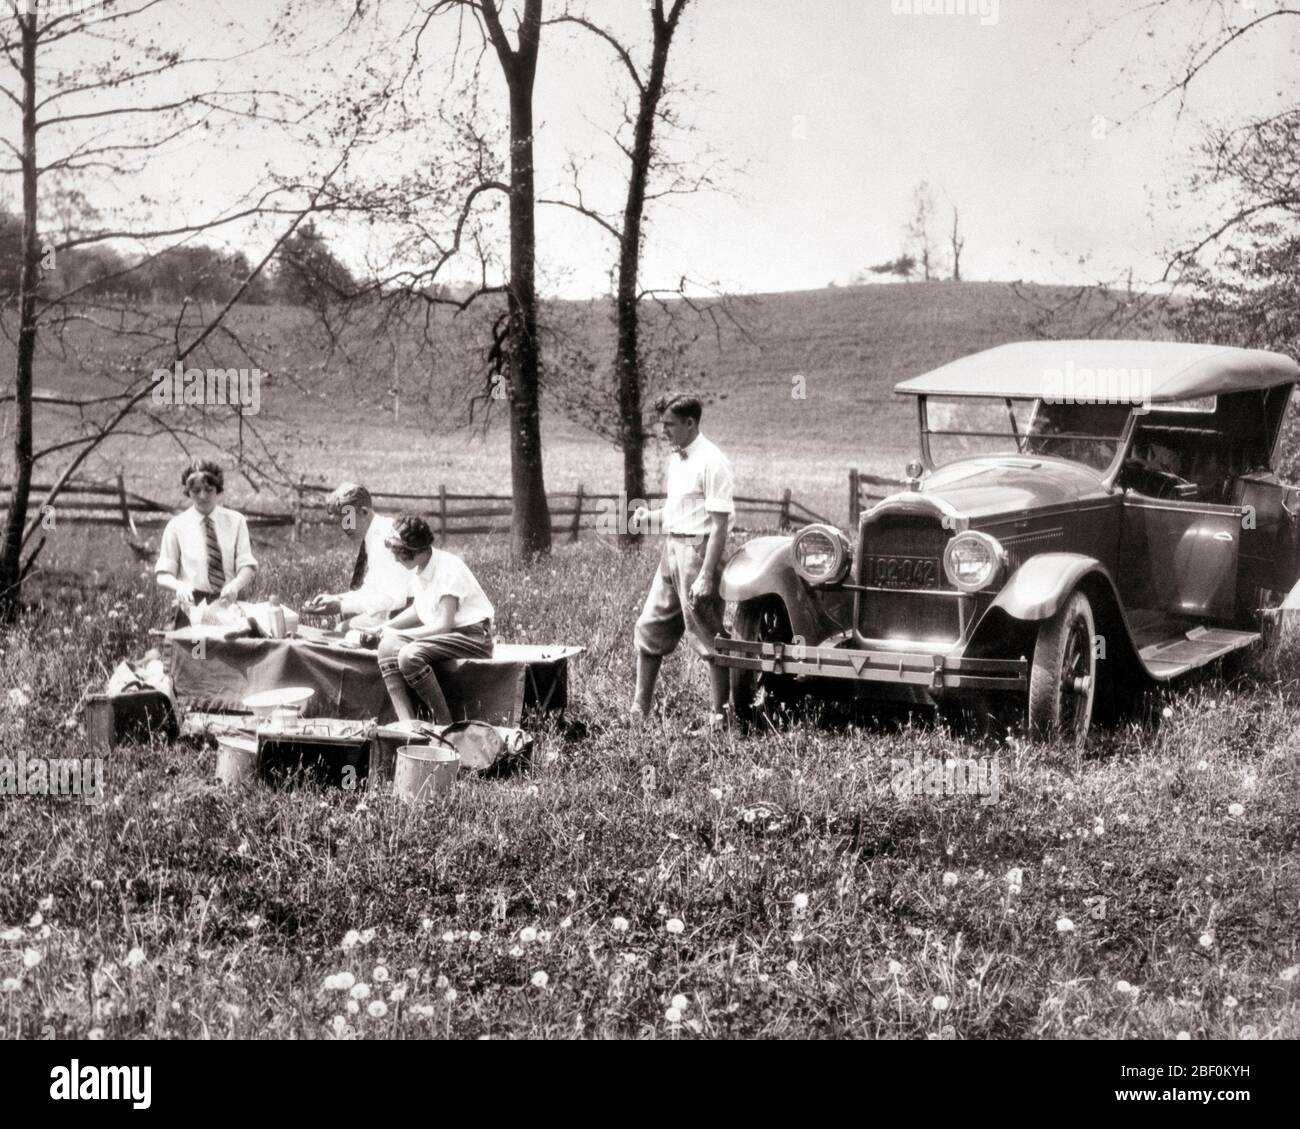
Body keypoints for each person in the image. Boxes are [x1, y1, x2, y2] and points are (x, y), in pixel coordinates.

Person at [630, 393, 734, 730]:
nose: (664, 432)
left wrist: (705, 576)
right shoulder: (679, 459)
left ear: (690, 423)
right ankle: (638, 712)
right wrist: (650, 517)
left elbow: (719, 527)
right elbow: (679, 513)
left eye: (670, 425)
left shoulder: (713, 462)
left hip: (698, 553)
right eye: (662, 425)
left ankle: (720, 718)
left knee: (709, 634)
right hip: (672, 550)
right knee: (649, 626)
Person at [377, 515, 495, 723]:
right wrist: (385, 626)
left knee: (408, 655)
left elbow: (443, 624)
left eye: (400, 555)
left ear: (416, 551)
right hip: (449, 635)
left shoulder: (449, 568)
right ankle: (407, 724)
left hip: (473, 636)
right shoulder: (420, 568)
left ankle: (445, 726)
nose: (396, 559)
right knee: (386, 646)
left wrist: (399, 633)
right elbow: (419, 610)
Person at [154, 460, 257, 625]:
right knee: (198, 650)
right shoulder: (176, 526)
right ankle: (197, 650)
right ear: (188, 492)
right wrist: (179, 586)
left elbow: (247, 565)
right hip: (193, 608)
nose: (203, 496)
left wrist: (235, 586)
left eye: (209, 490)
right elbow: (162, 575)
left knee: (231, 649)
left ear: (218, 489)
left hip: (230, 605)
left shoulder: (236, 521)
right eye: (195, 491)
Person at [303, 482, 411, 629]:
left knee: (341, 628)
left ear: (364, 512)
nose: (345, 526)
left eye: (348, 518)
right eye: (341, 520)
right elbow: (372, 589)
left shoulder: (386, 538)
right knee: (346, 617)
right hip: (393, 609)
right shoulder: (374, 535)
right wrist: (338, 598)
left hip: (406, 613)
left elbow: (390, 600)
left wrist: (341, 606)